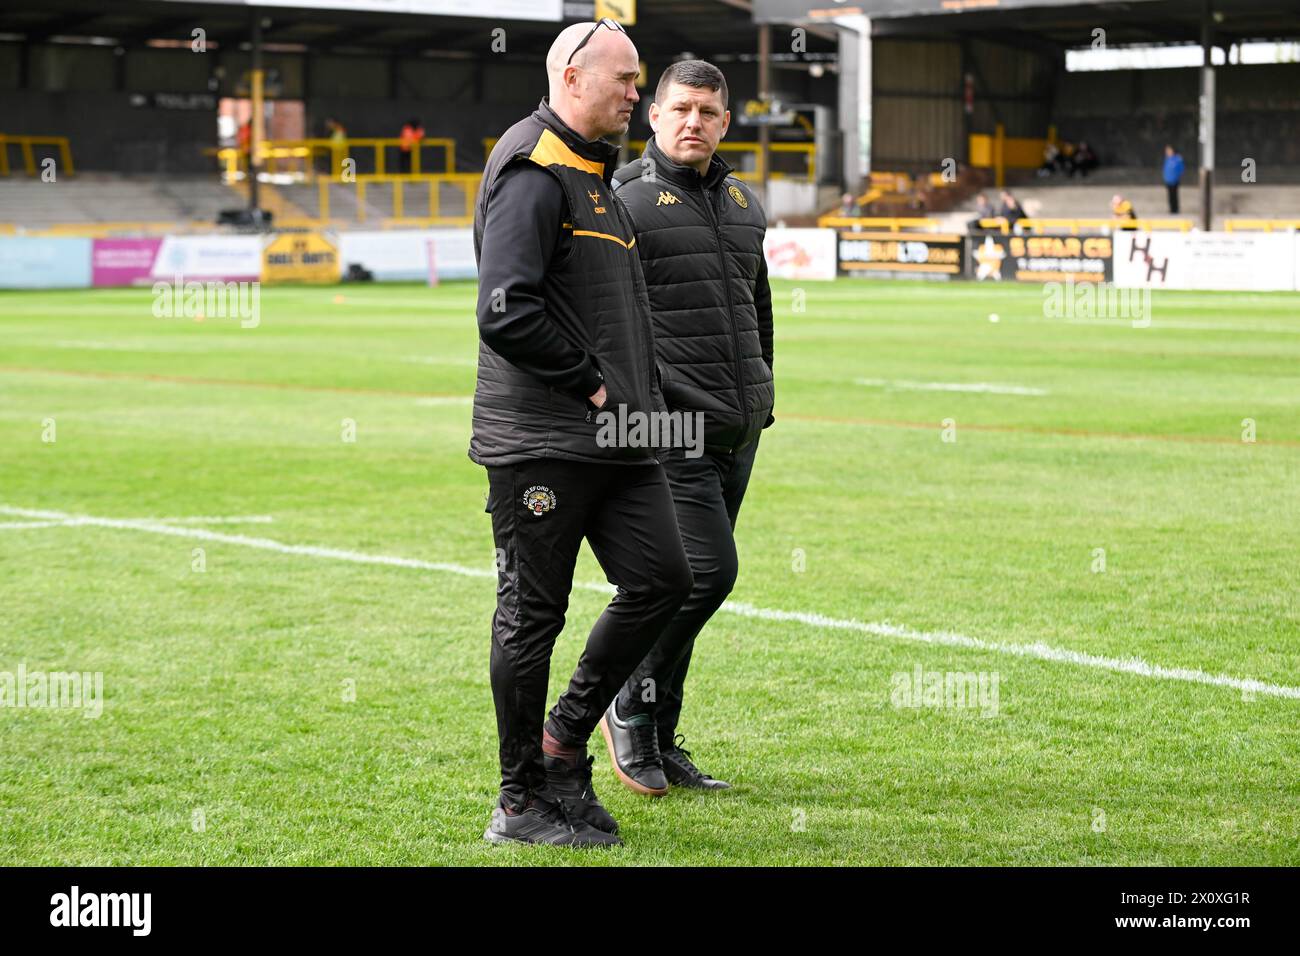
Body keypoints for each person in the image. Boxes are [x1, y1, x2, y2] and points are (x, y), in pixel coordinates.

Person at [470, 18, 693, 848]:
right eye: (626, 79)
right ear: (571, 76)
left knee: (666, 578)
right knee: (532, 616)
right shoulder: (534, 166)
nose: (638, 92)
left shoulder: (597, 172)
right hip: (544, 441)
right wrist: (592, 381)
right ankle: (521, 799)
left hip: (621, 440)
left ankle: (563, 742)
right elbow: (505, 309)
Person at [607, 59, 773, 794]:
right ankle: (627, 707)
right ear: (655, 115)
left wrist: (762, 394)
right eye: (680, 109)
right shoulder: (626, 201)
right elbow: (608, 319)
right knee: (707, 575)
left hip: (740, 426)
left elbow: (755, 308)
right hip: (671, 429)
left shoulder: (743, 201)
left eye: (708, 112)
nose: (693, 122)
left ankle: (663, 738)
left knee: (689, 591)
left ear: (725, 121)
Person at [1162, 144, 1184, 214]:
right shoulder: (1167, 160)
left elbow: (1181, 169)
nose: (1167, 152)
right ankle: (1171, 209)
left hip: (1175, 180)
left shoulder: (1177, 159)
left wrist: (1177, 176)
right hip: (1168, 181)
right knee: (1170, 196)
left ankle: (1176, 209)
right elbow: (1165, 170)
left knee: (1175, 195)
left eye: (1169, 150)